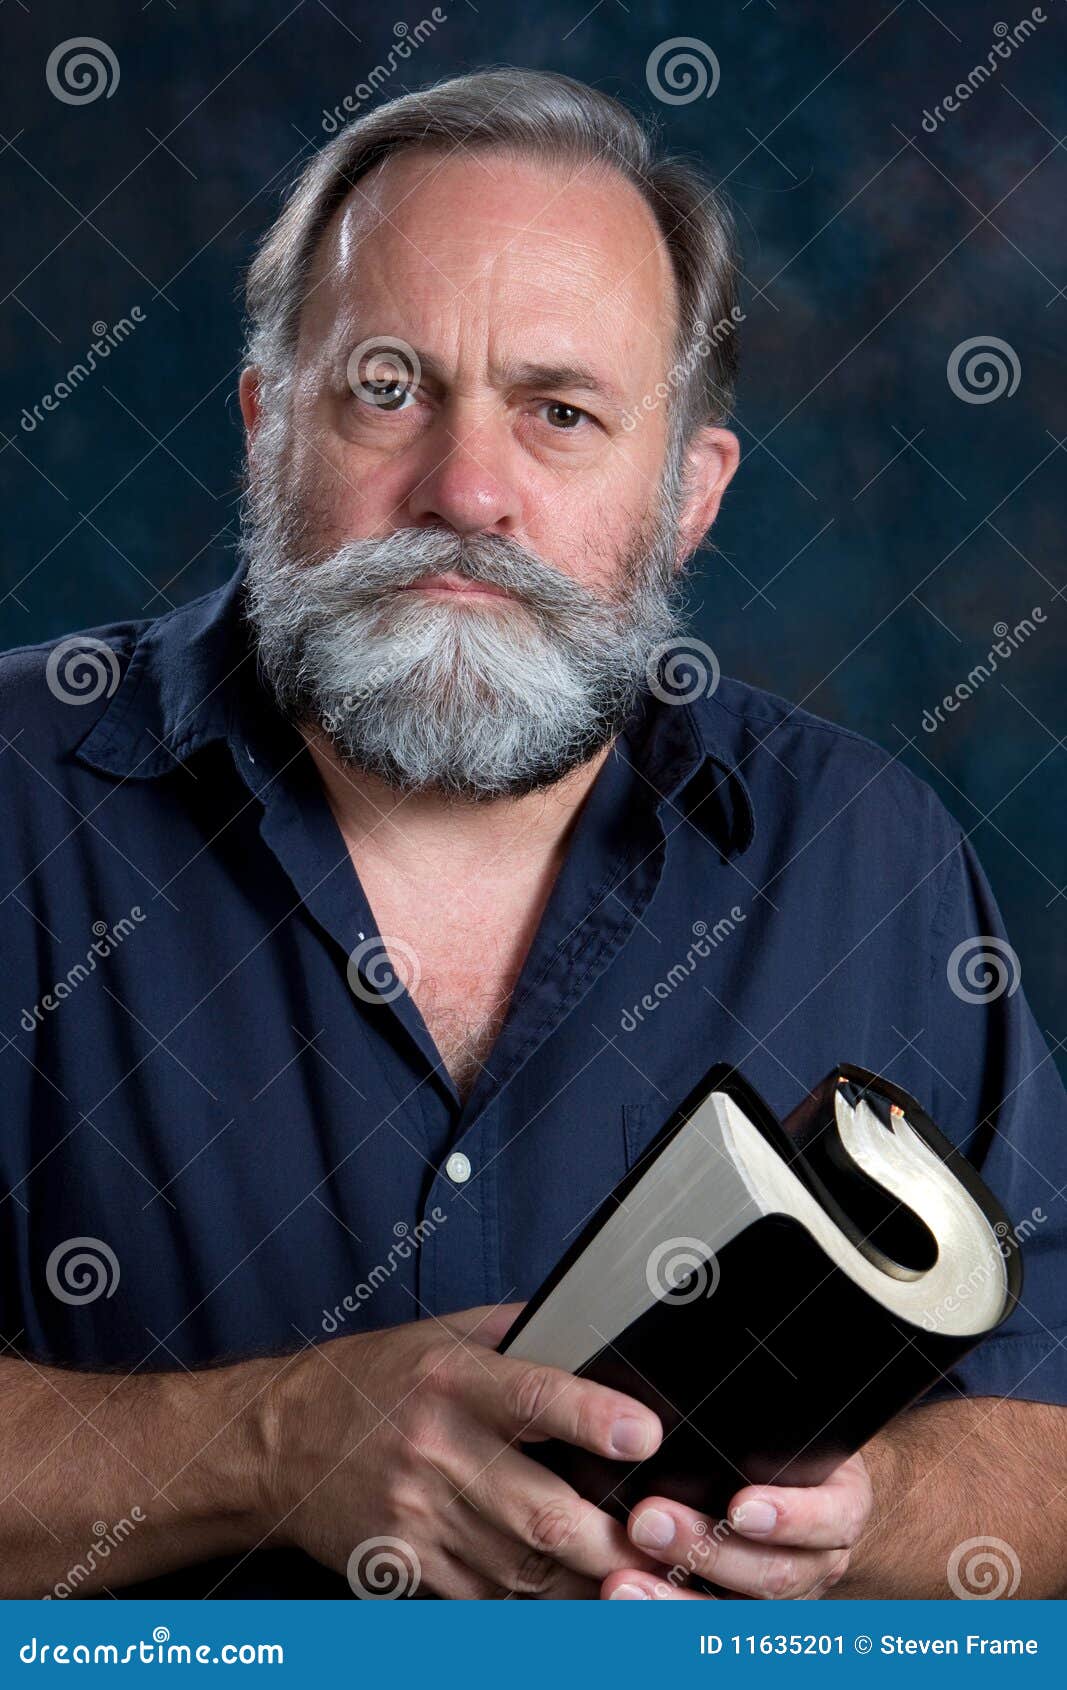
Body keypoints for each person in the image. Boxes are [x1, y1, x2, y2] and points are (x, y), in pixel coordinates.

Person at [1, 69, 1064, 1602]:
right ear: (264, 425)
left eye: (560, 412)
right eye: (387, 388)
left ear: (687, 496)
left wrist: (868, 1511)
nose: (468, 490)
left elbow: (1050, 1435)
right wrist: (269, 1442)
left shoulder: (867, 858)